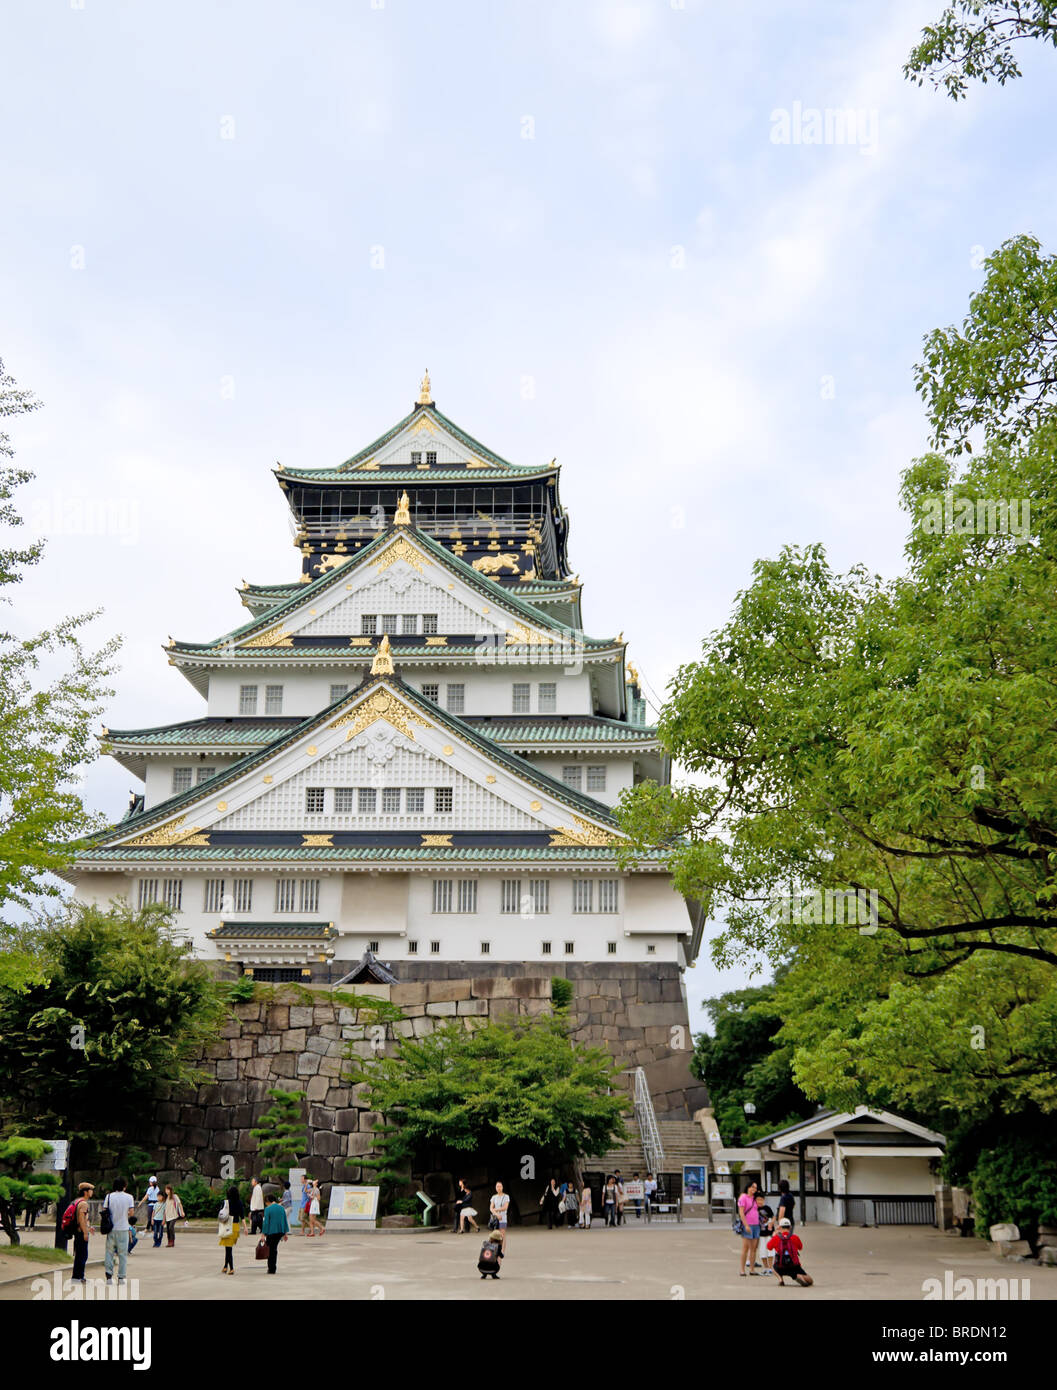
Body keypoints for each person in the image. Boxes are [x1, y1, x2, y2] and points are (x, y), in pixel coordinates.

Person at [102, 1177, 136, 1285]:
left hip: (111, 1229)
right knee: (122, 1254)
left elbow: (104, 1211)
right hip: (124, 1228)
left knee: (109, 1252)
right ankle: (121, 1278)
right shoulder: (129, 1197)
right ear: (124, 1186)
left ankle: (108, 1276)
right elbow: (131, 1212)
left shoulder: (109, 1197)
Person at [767, 1217, 813, 1287]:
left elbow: (769, 1247)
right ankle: (798, 1275)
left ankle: (780, 1280)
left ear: (779, 1227)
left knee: (773, 1267)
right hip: (794, 1266)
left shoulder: (776, 1238)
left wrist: (773, 1235)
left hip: (780, 1266)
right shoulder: (795, 1237)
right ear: (790, 1227)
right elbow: (800, 1248)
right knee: (810, 1281)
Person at [69, 1181, 94, 1285]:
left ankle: (77, 1276)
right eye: (91, 1190)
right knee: (82, 1255)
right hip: (80, 1232)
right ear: (86, 1192)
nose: (92, 1192)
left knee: (79, 1254)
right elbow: (81, 1219)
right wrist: (85, 1232)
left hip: (78, 1231)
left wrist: (88, 1228)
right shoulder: (83, 1203)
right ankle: (79, 1277)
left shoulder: (76, 1201)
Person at [218, 1183, 244, 1275]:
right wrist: (245, 1228)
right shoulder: (240, 1202)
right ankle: (225, 1266)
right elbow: (243, 1217)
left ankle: (231, 1268)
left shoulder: (225, 1202)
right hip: (236, 1227)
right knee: (228, 1248)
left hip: (228, 1226)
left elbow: (220, 1214)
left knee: (228, 1249)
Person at [737, 1180, 761, 1277]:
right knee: (745, 1248)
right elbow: (741, 1212)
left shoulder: (755, 1198)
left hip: (756, 1225)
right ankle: (742, 1270)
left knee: (754, 1248)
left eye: (755, 1188)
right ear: (748, 1187)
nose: (754, 1189)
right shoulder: (743, 1197)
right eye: (752, 1187)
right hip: (748, 1225)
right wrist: (746, 1225)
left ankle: (752, 1269)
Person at [262, 1192, 290, 1274]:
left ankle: (271, 1268)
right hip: (280, 1232)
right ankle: (272, 1268)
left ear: (268, 1201)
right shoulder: (281, 1208)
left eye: (265, 1203)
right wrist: (285, 1233)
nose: (266, 1205)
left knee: (271, 1250)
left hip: (271, 1231)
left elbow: (266, 1222)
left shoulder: (268, 1209)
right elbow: (284, 1220)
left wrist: (263, 1234)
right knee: (273, 1249)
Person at [756, 1195, 776, 1276]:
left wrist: (772, 1223)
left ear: (764, 1200)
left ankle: (771, 1268)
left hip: (769, 1233)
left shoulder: (767, 1208)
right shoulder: (754, 1209)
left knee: (770, 1250)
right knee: (762, 1251)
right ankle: (766, 1268)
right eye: (758, 1200)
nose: (759, 1201)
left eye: (761, 1200)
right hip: (760, 1234)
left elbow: (774, 1217)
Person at [489, 1181, 510, 1254]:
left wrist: (496, 1210)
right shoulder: (494, 1197)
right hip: (496, 1219)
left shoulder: (506, 1196)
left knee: (502, 1235)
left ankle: (502, 1251)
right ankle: (495, 1250)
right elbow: (491, 1208)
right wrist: (496, 1214)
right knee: (494, 1235)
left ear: (502, 1187)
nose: (498, 1188)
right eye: (497, 1186)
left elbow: (505, 1207)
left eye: (500, 1186)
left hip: (503, 1218)